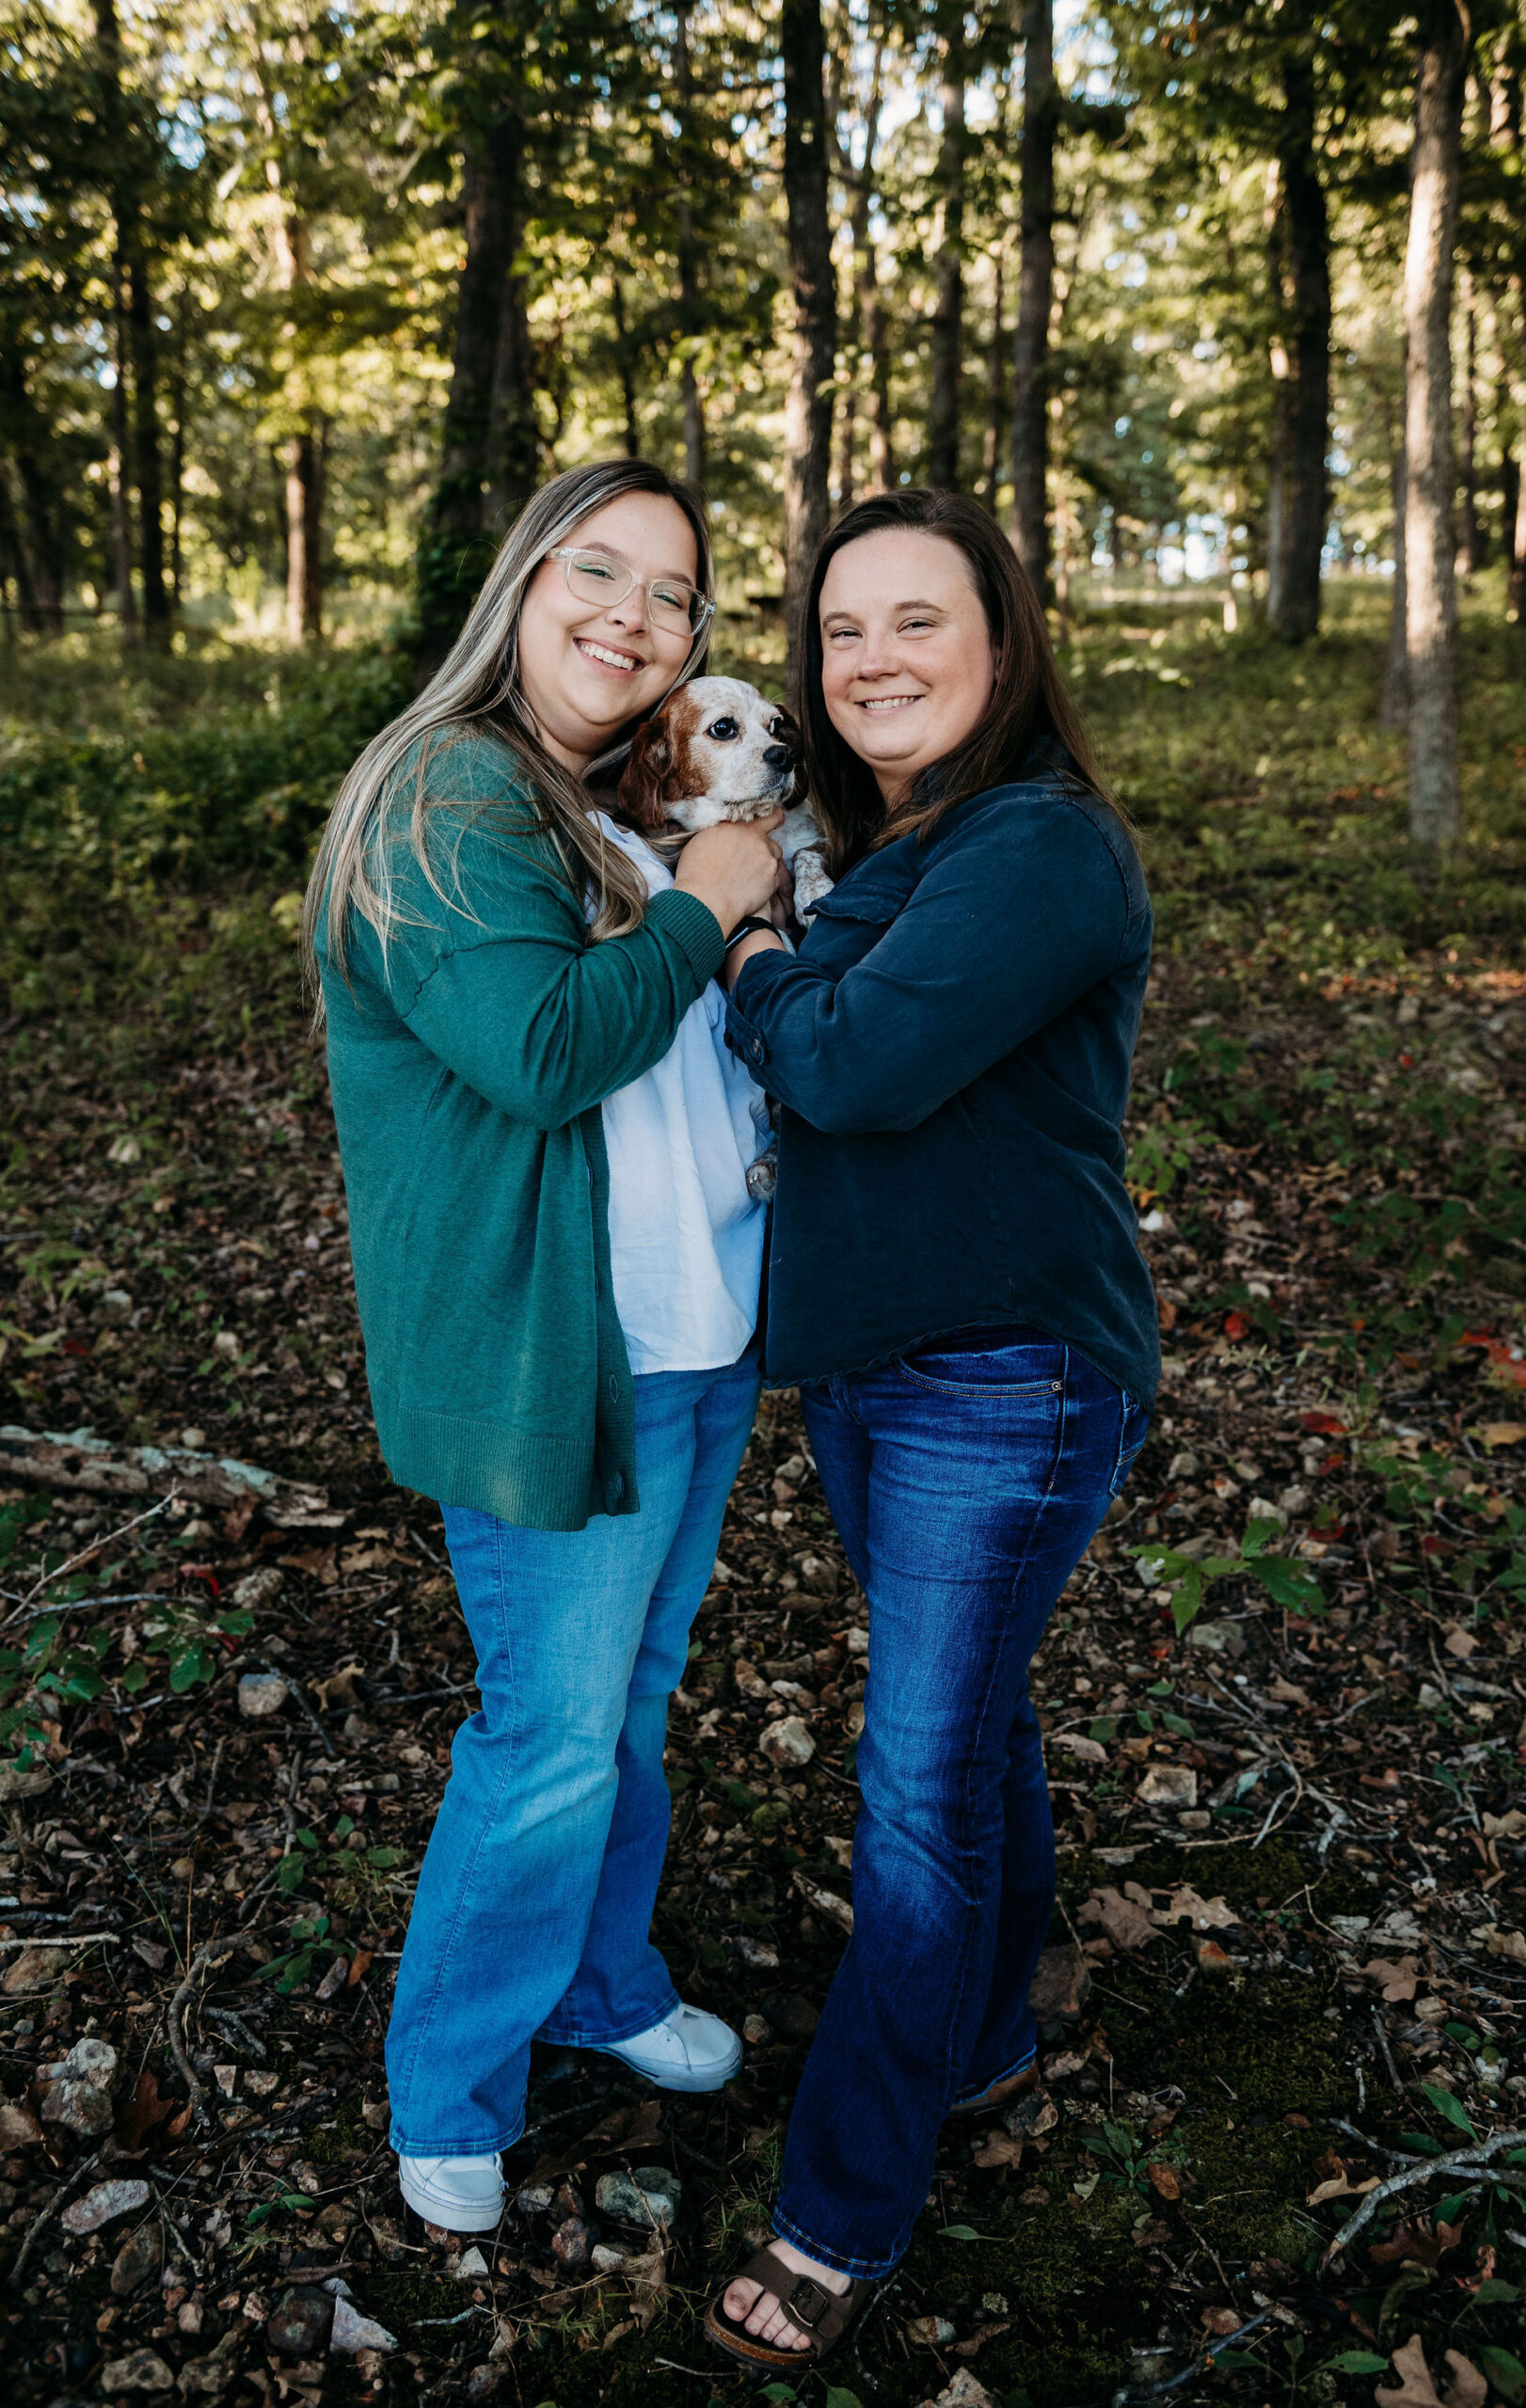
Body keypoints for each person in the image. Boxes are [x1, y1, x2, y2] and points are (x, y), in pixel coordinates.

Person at [703, 488, 1161, 2371]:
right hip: (886, 1363)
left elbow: (853, 1060)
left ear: (1004, 638)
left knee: (912, 1798)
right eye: (843, 631)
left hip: (1004, 1374)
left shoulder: (1039, 847)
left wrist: (745, 953)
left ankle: (845, 2208)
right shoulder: (909, 844)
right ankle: (987, 2024)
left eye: (918, 619)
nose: (874, 656)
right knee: (972, 1717)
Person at [306, 459, 787, 2237]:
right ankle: (452, 2081)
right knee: (551, 1736)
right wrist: (710, 894)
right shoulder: (445, 796)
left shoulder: (598, 797)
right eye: (601, 571)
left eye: (673, 595)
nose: (635, 617)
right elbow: (541, 1050)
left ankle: (594, 1987)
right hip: (552, 1359)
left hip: (692, 1334)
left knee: (628, 1709)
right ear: (522, 581)